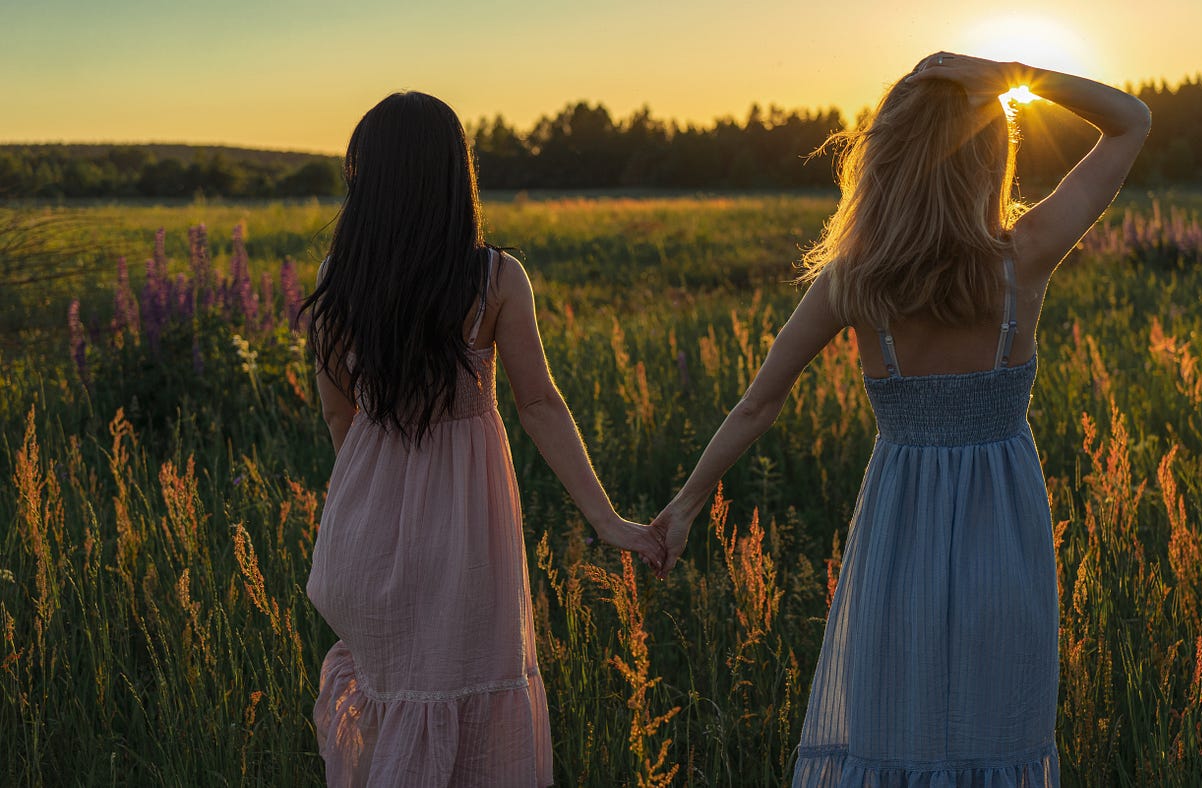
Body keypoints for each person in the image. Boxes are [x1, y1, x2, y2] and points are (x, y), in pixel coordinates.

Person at [652, 53, 1151, 785]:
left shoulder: (853, 282)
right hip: (1005, 542)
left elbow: (759, 403)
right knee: (996, 738)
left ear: (883, 165)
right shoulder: (1025, 260)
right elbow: (1131, 120)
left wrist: (683, 510)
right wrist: (1013, 74)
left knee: (898, 738)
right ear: (989, 161)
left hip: (896, 542)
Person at [303, 91, 664, 787]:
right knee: (466, 690)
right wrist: (607, 519)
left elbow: (338, 416)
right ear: (452, 177)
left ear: (366, 180)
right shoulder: (495, 277)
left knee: (397, 695)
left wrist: (376, 505)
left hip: (364, 526)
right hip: (467, 528)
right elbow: (539, 404)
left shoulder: (337, 282)